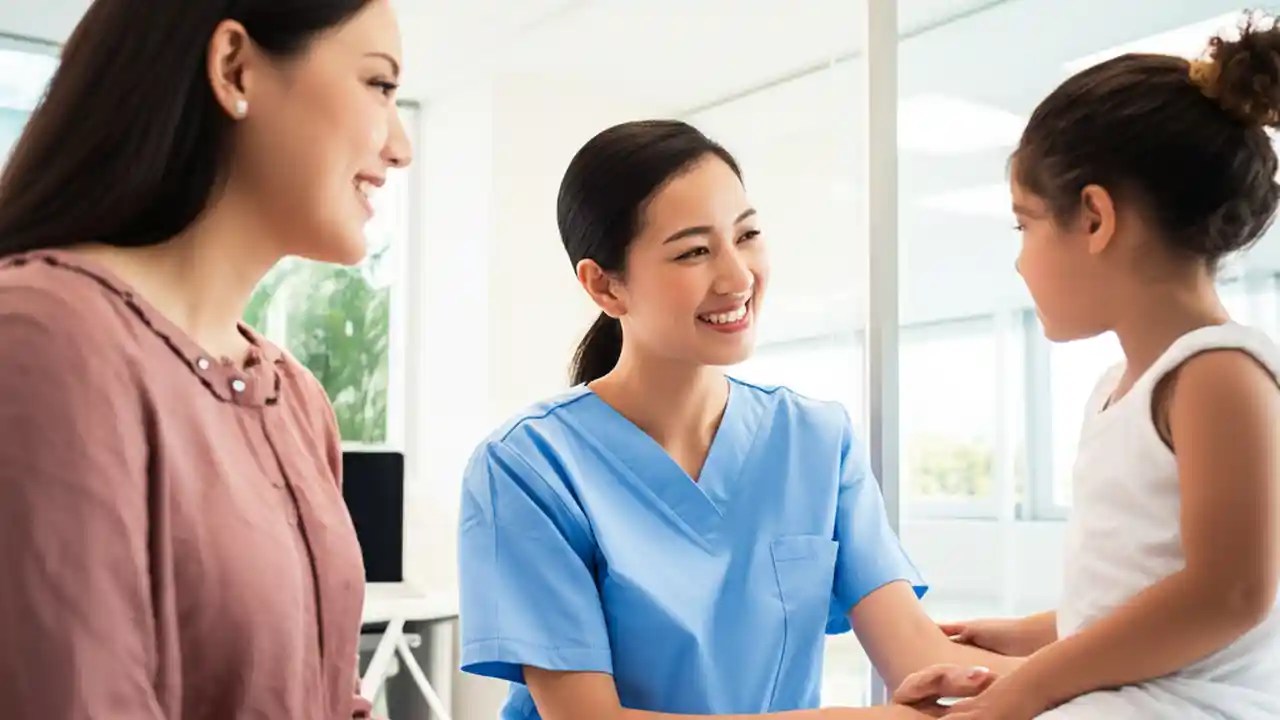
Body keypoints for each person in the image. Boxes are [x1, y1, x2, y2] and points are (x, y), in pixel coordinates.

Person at [456, 119, 1017, 720]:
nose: (739, 277)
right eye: (694, 251)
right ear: (605, 286)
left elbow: (919, 657)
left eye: (746, 235)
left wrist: (1083, 660)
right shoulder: (527, 468)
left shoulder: (815, 441)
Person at [0, 0, 411, 718]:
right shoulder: (44, 339)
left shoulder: (298, 401)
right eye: (379, 85)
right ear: (234, 67)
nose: (401, 146)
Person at [925, 13, 1280, 720]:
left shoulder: (1218, 375)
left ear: (1094, 218)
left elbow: (1229, 594)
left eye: (1024, 224)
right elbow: (1136, 596)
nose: (1019, 260)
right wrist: (1026, 635)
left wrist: (1029, 686)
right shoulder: (1123, 388)